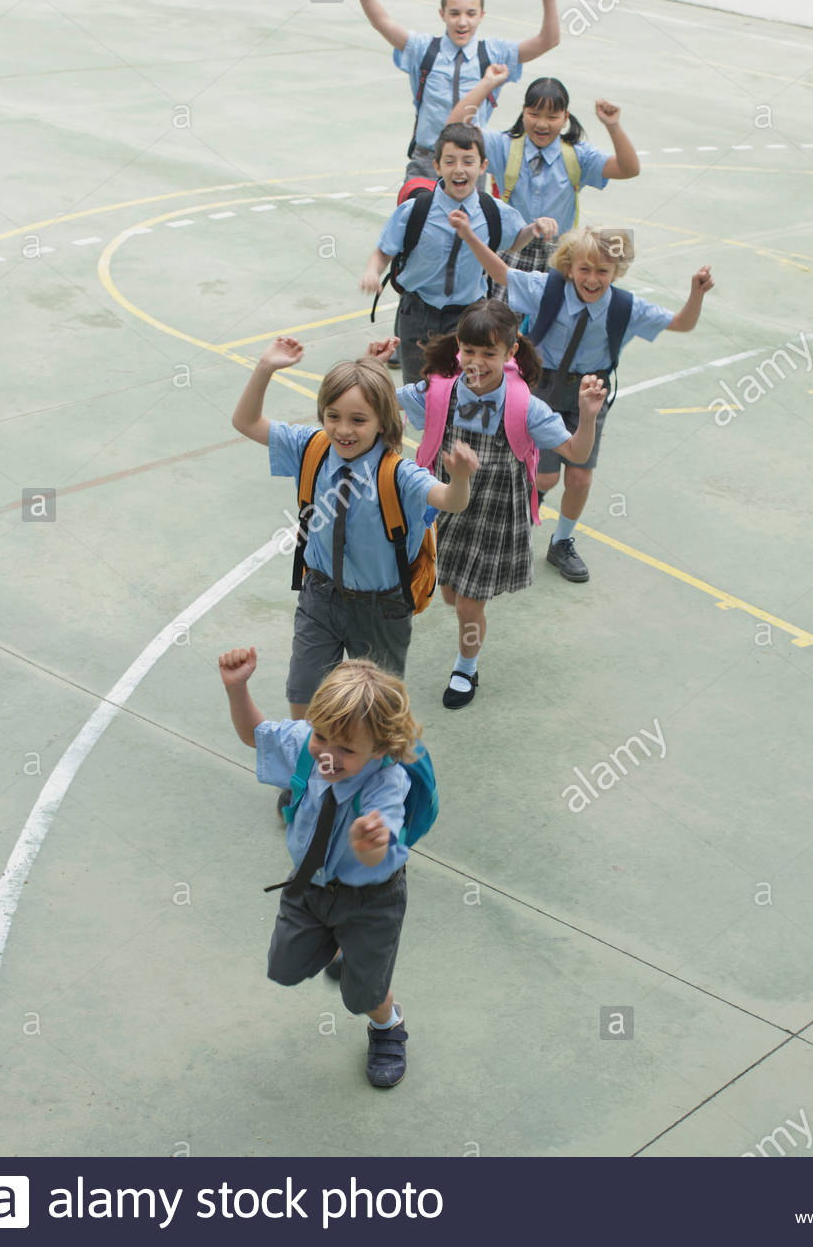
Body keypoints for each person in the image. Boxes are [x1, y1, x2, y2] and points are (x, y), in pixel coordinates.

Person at [448, 215, 715, 583]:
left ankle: (562, 541)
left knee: (580, 479)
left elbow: (682, 323)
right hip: (542, 387)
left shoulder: (626, 307)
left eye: (603, 270)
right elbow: (501, 273)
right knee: (543, 477)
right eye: (585, 268)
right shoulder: (548, 289)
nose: (593, 278)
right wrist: (467, 234)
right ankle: (521, 518)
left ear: (616, 272)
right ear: (569, 267)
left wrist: (696, 294)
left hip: (590, 394)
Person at [369, 299, 605, 708]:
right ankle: (465, 634)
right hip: (443, 505)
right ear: (459, 347)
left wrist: (586, 415)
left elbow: (576, 451)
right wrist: (371, 366)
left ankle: (466, 667)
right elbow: (377, 400)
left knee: (466, 603)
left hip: (495, 511)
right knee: (446, 592)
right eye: (470, 351)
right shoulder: (438, 393)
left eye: (489, 353)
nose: (477, 361)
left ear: (511, 353)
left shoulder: (524, 406)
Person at [231, 337, 478, 715]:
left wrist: (460, 478)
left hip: (381, 609)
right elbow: (245, 421)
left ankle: (375, 774)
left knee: (377, 715)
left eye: (358, 420)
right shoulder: (311, 448)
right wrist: (265, 368)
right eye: (332, 416)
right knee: (304, 700)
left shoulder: (398, 473)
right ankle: (314, 773)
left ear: (384, 421)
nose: (343, 429)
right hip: (319, 597)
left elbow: (451, 501)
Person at [219, 648, 420, 1088]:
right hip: (309, 884)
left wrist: (370, 842)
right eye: (321, 736)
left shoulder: (387, 781)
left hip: (370, 899)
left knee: (361, 994)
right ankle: (339, 949)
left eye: (346, 749)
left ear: (381, 747)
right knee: (285, 967)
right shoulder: (313, 746)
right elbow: (256, 734)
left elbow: (378, 855)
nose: (328, 755)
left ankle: (388, 1027)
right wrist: (238, 689)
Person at [360, 122, 556, 387]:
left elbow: (514, 242)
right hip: (417, 311)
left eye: (468, 161)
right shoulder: (415, 210)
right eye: (450, 161)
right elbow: (384, 251)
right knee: (418, 389)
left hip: (467, 315)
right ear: (437, 166)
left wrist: (533, 229)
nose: (459, 169)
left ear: (483, 166)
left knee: (462, 388)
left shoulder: (493, 211)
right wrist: (373, 272)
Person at [350, 0, 560, 182]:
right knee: (417, 216)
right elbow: (383, 23)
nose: (462, 22)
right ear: (442, 14)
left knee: (469, 218)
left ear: (482, 15)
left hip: (471, 161)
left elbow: (548, 40)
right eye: (454, 13)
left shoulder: (494, 53)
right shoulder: (424, 50)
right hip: (427, 161)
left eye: (470, 14)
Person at [449, 70, 641, 295]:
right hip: (511, 249)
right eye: (534, 114)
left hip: (559, 256)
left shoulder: (578, 156)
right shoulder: (504, 146)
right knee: (500, 324)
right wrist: (488, 83)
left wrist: (613, 125)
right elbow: (453, 131)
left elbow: (629, 169)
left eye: (552, 117)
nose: (542, 124)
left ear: (565, 118)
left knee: (552, 325)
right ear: (523, 113)